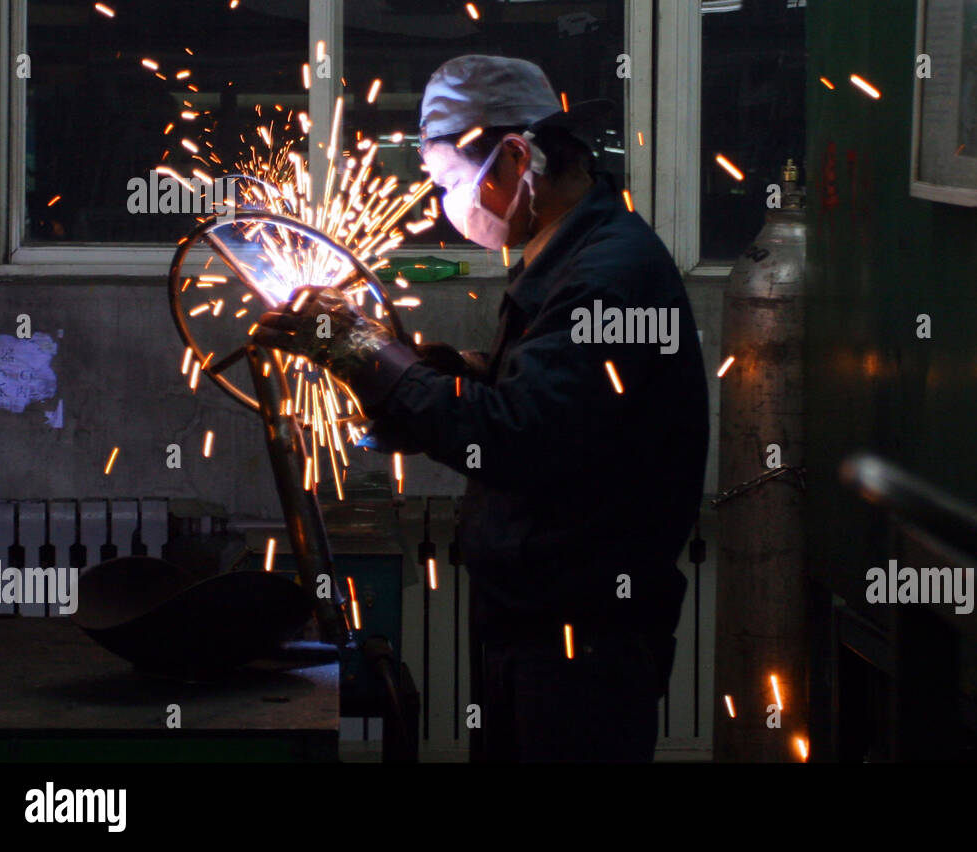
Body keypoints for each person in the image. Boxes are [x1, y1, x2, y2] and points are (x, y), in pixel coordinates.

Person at [253, 54, 709, 762]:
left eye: (449, 183)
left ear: (516, 156)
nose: (445, 204)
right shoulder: (562, 254)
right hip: (536, 622)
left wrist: (365, 357)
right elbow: (535, 399)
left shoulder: (608, 279)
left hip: (580, 646)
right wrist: (426, 369)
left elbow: (519, 436)